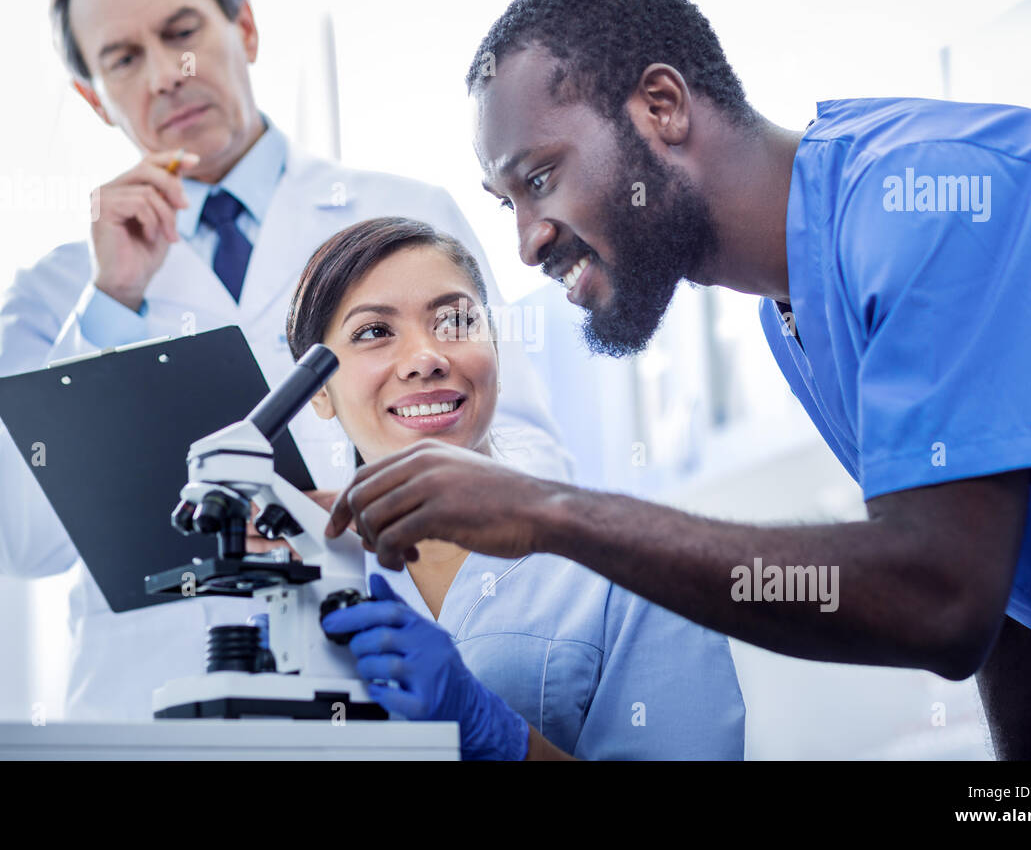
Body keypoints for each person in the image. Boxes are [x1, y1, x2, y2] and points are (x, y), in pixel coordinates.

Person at [325, 0, 1031, 761]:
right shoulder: (793, 317)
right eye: (509, 204)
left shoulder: (928, 199)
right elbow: (1007, 591)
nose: (529, 240)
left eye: (540, 177)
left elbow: (942, 595)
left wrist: (551, 512)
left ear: (661, 105)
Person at [0, 0, 570, 722]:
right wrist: (111, 306)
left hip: (361, 697)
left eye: (181, 32)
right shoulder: (60, 292)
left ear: (243, 27)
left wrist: (351, 506)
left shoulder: (405, 215)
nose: (165, 76)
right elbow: (9, 538)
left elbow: (529, 461)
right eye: (122, 58)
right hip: (137, 717)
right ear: (92, 96)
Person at [285, 216, 744, 759]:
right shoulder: (287, 582)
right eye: (373, 332)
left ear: (497, 353)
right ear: (316, 390)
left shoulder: (630, 563)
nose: (426, 359)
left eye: (455, 321)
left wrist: (500, 737)